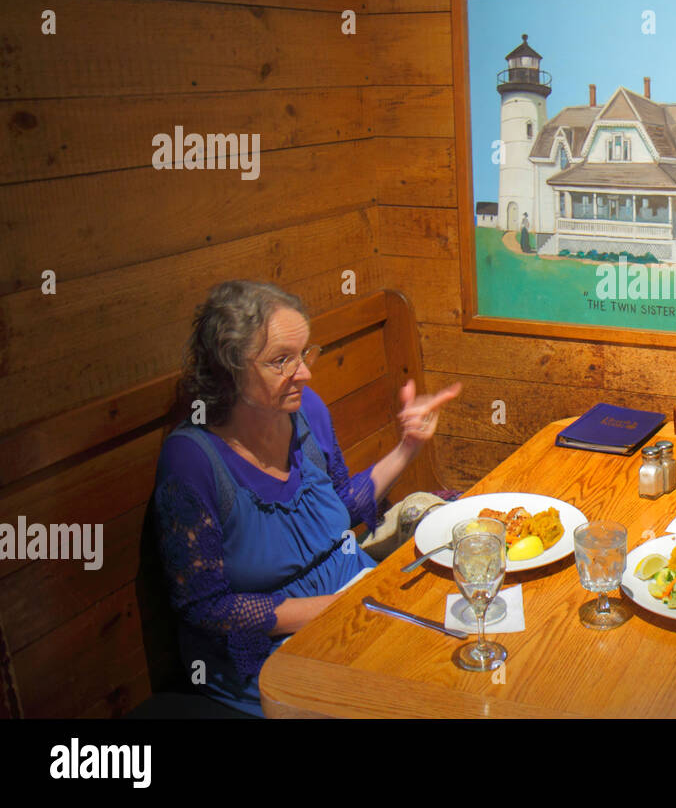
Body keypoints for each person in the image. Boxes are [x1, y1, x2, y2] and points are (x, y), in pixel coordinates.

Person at [152, 281, 461, 716]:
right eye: (282, 360)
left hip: (355, 598)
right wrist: (336, 608)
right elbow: (206, 608)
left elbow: (339, 506)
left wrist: (407, 446)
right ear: (229, 370)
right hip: (266, 651)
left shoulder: (305, 409)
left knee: (461, 662)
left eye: (304, 353)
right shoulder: (191, 460)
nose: (305, 373)